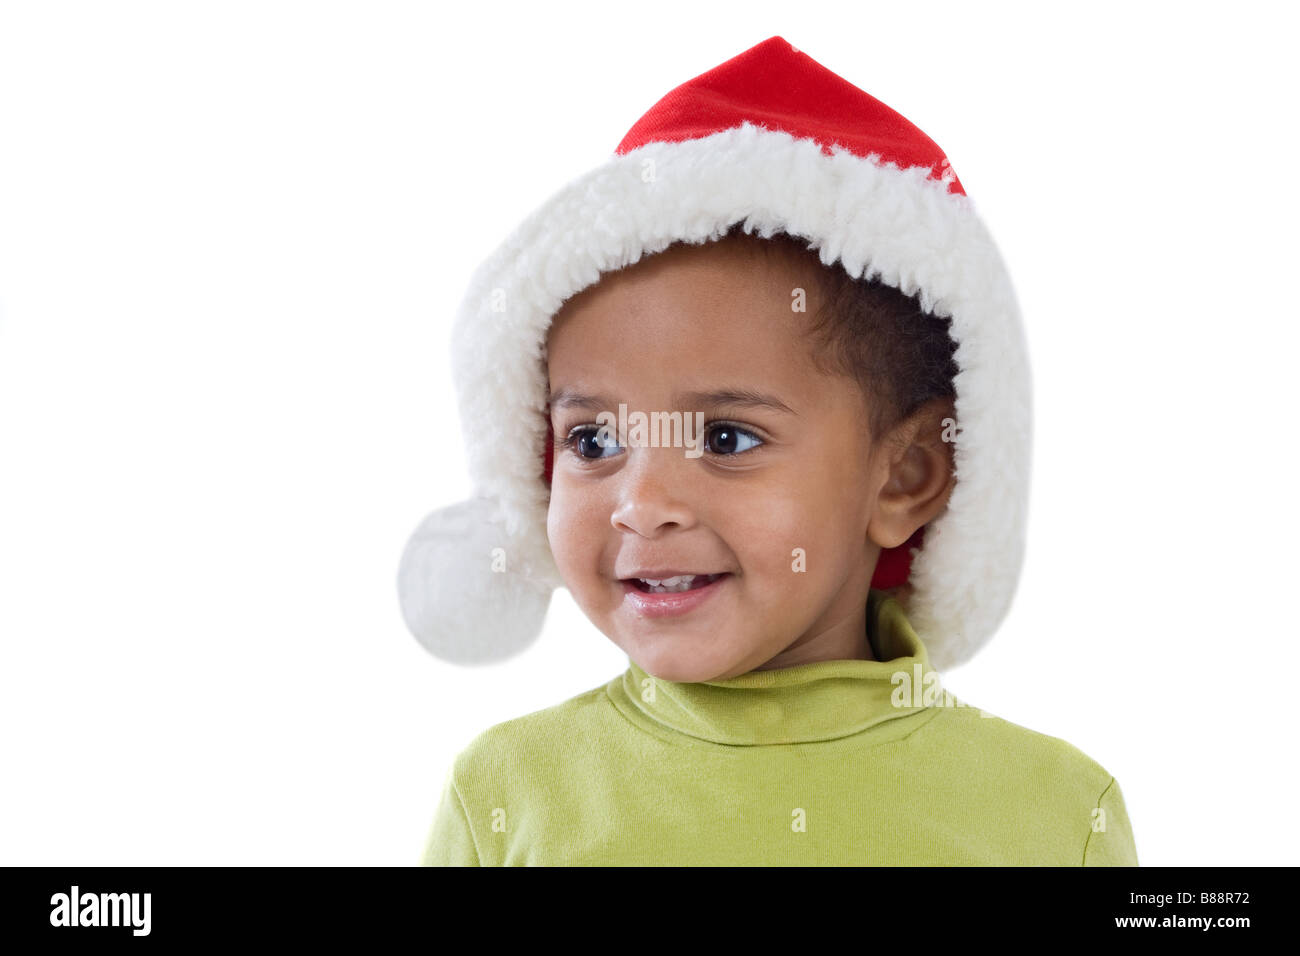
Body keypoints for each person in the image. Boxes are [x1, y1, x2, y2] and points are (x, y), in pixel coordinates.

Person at [399, 35, 1138, 866]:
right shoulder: (506, 796)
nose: (643, 504)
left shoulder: (1054, 813)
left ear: (907, 476)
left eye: (726, 437)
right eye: (594, 439)